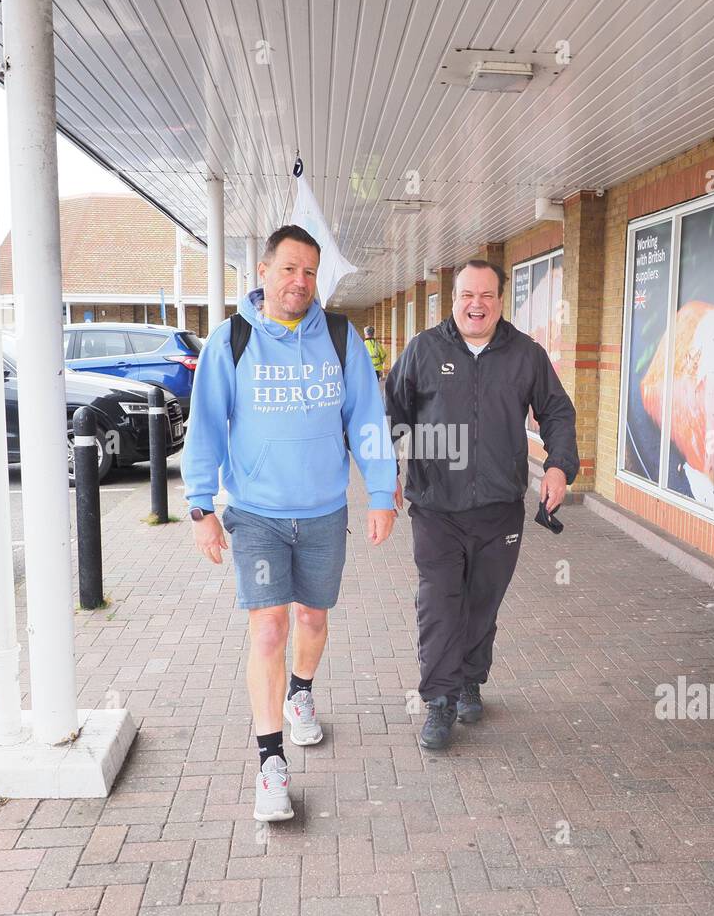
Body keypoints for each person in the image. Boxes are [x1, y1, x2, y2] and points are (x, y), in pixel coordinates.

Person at [182, 224, 397, 822]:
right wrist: (201, 507)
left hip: (326, 509)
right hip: (256, 514)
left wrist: (382, 492)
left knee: (313, 619)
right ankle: (271, 765)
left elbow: (367, 417)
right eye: (289, 269)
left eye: (310, 272)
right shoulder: (231, 341)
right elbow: (204, 426)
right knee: (269, 629)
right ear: (263, 272)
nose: (299, 282)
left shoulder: (340, 336)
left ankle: (301, 692)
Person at [386, 259, 578, 750]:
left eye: (487, 295)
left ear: (500, 300)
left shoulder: (525, 355)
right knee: (439, 603)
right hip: (435, 506)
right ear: (454, 300)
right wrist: (384, 474)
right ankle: (439, 700)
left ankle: (471, 679)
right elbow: (390, 414)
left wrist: (558, 466)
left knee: (482, 602)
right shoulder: (424, 350)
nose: (477, 304)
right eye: (468, 294)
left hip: (499, 507)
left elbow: (556, 411)